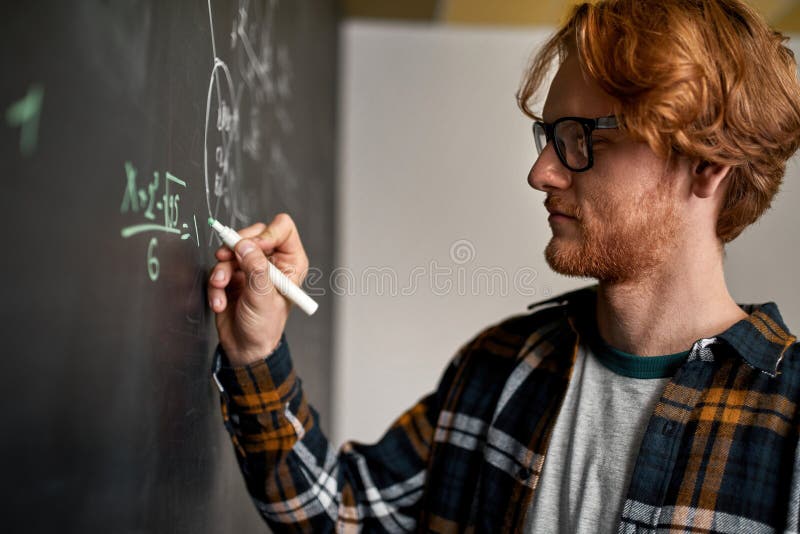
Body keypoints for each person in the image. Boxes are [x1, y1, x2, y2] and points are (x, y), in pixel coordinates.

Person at [207, 0, 800, 531]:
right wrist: (256, 353)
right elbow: (343, 513)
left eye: (579, 137)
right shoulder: (500, 367)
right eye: (549, 135)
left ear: (706, 164)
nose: (542, 172)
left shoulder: (788, 426)